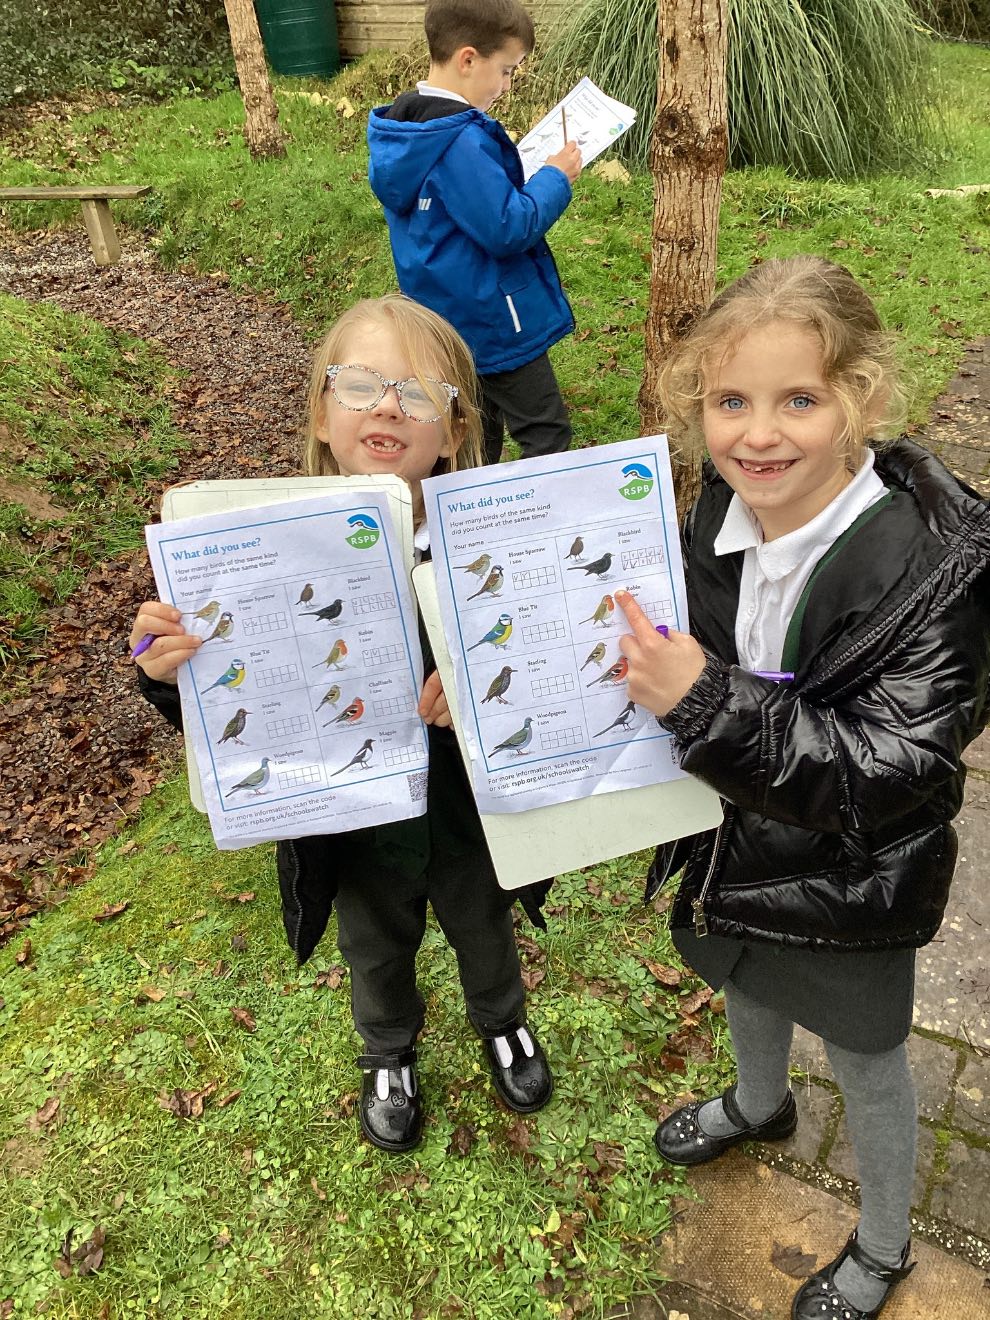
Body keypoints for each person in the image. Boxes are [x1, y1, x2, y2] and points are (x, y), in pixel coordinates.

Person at [614, 256, 990, 1319]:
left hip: (855, 876)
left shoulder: (937, 573)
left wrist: (704, 707)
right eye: (729, 402)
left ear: (862, 400)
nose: (758, 435)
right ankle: (758, 1103)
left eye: (799, 400)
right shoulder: (712, 517)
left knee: (869, 1059)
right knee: (744, 979)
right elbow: (679, 639)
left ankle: (882, 1244)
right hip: (739, 850)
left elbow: (892, 773)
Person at [129, 294, 554, 1154]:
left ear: (456, 427)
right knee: (375, 940)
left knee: (484, 921)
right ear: (323, 414)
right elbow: (233, 696)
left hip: (470, 809)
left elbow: (539, 659)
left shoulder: (491, 545)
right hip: (352, 818)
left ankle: (502, 1021)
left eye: (419, 391)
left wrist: (474, 687)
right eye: (360, 384)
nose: (388, 405)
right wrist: (168, 671)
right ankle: (387, 1050)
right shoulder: (254, 548)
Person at [366, 0, 582, 466]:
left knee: (473, 439)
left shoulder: (408, 128)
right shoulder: (459, 139)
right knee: (545, 433)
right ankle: (531, 532)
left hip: (444, 319)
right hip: (494, 319)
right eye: (506, 70)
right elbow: (508, 226)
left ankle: (467, 531)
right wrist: (555, 177)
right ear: (468, 59)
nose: (506, 86)